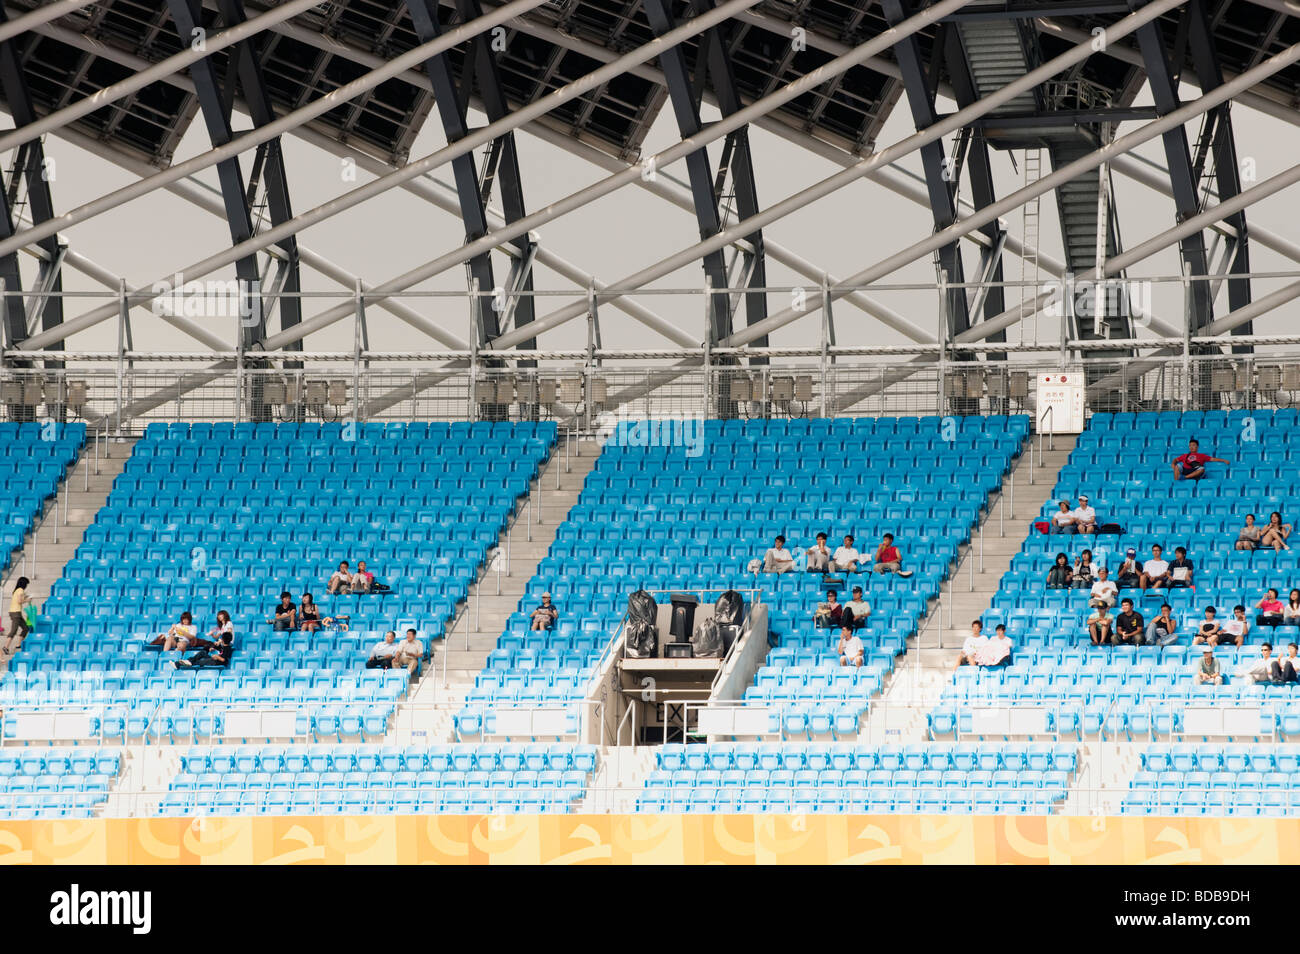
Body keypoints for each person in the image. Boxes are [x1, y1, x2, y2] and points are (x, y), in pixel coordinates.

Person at [3, 576, 30, 654]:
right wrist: (27, 600)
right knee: (13, 630)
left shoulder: (17, 590)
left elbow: (19, 599)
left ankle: (18, 644)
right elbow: (19, 601)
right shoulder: (20, 590)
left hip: (16, 612)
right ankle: (6, 647)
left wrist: (25, 597)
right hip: (16, 613)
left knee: (25, 628)